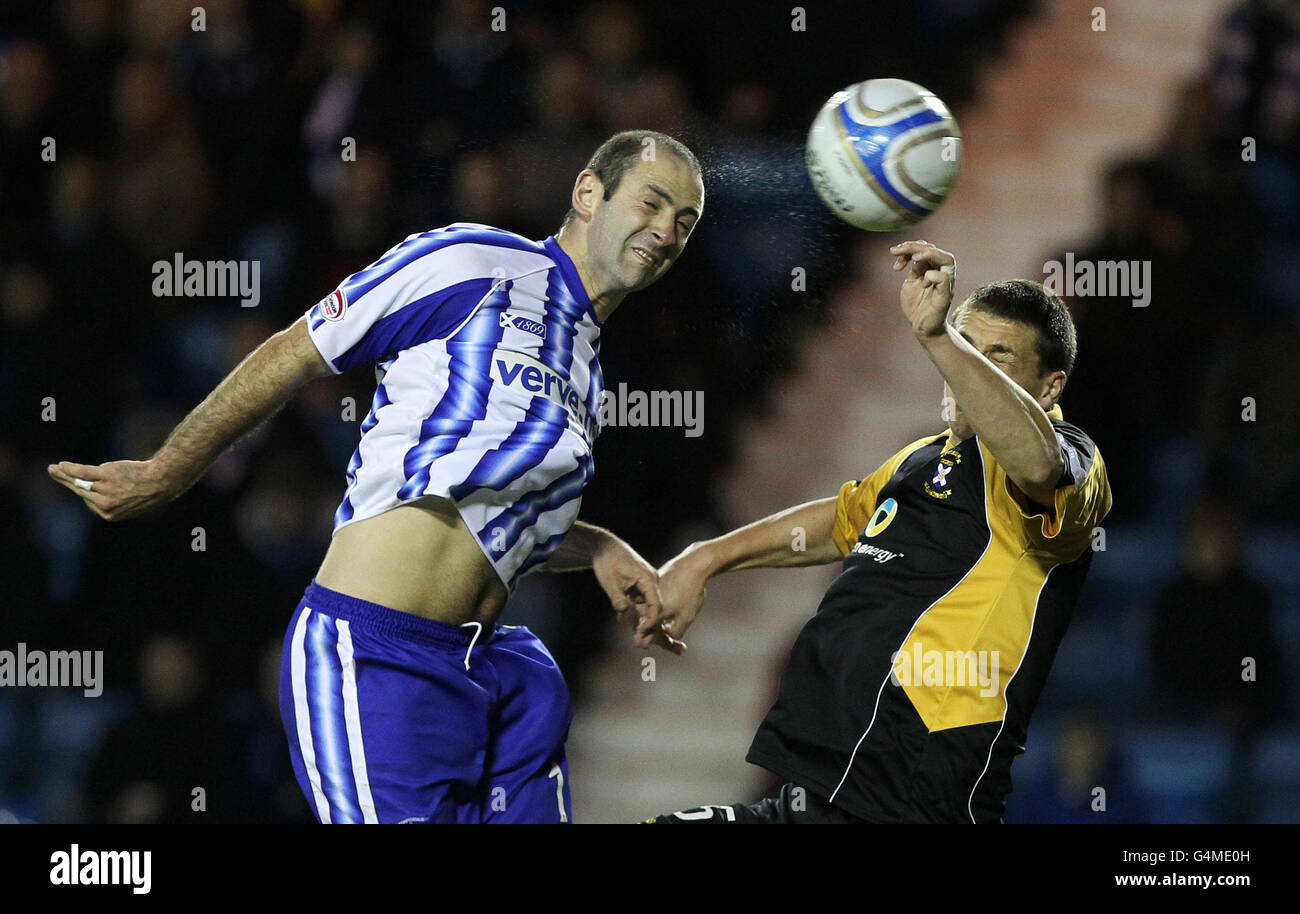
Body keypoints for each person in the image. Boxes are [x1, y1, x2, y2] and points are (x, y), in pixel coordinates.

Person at [48, 129, 705, 824]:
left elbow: (495, 526)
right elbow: (299, 351)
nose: (665, 231)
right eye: (653, 202)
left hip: (492, 671)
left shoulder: (588, 374)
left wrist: (598, 546)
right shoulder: (473, 263)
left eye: (684, 224)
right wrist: (166, 470)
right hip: (373, 659)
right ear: (588, 192)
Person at [648, 241, 1112, 824]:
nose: (967, 368)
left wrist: (940, 337)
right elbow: (838, 522)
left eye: (998, 357)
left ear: (1049, 389)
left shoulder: (1070, 461)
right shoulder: (921, 457)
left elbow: (1038, 468)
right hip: (819, 788)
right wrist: (705, 558)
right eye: (967, 347)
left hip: (913, 796)